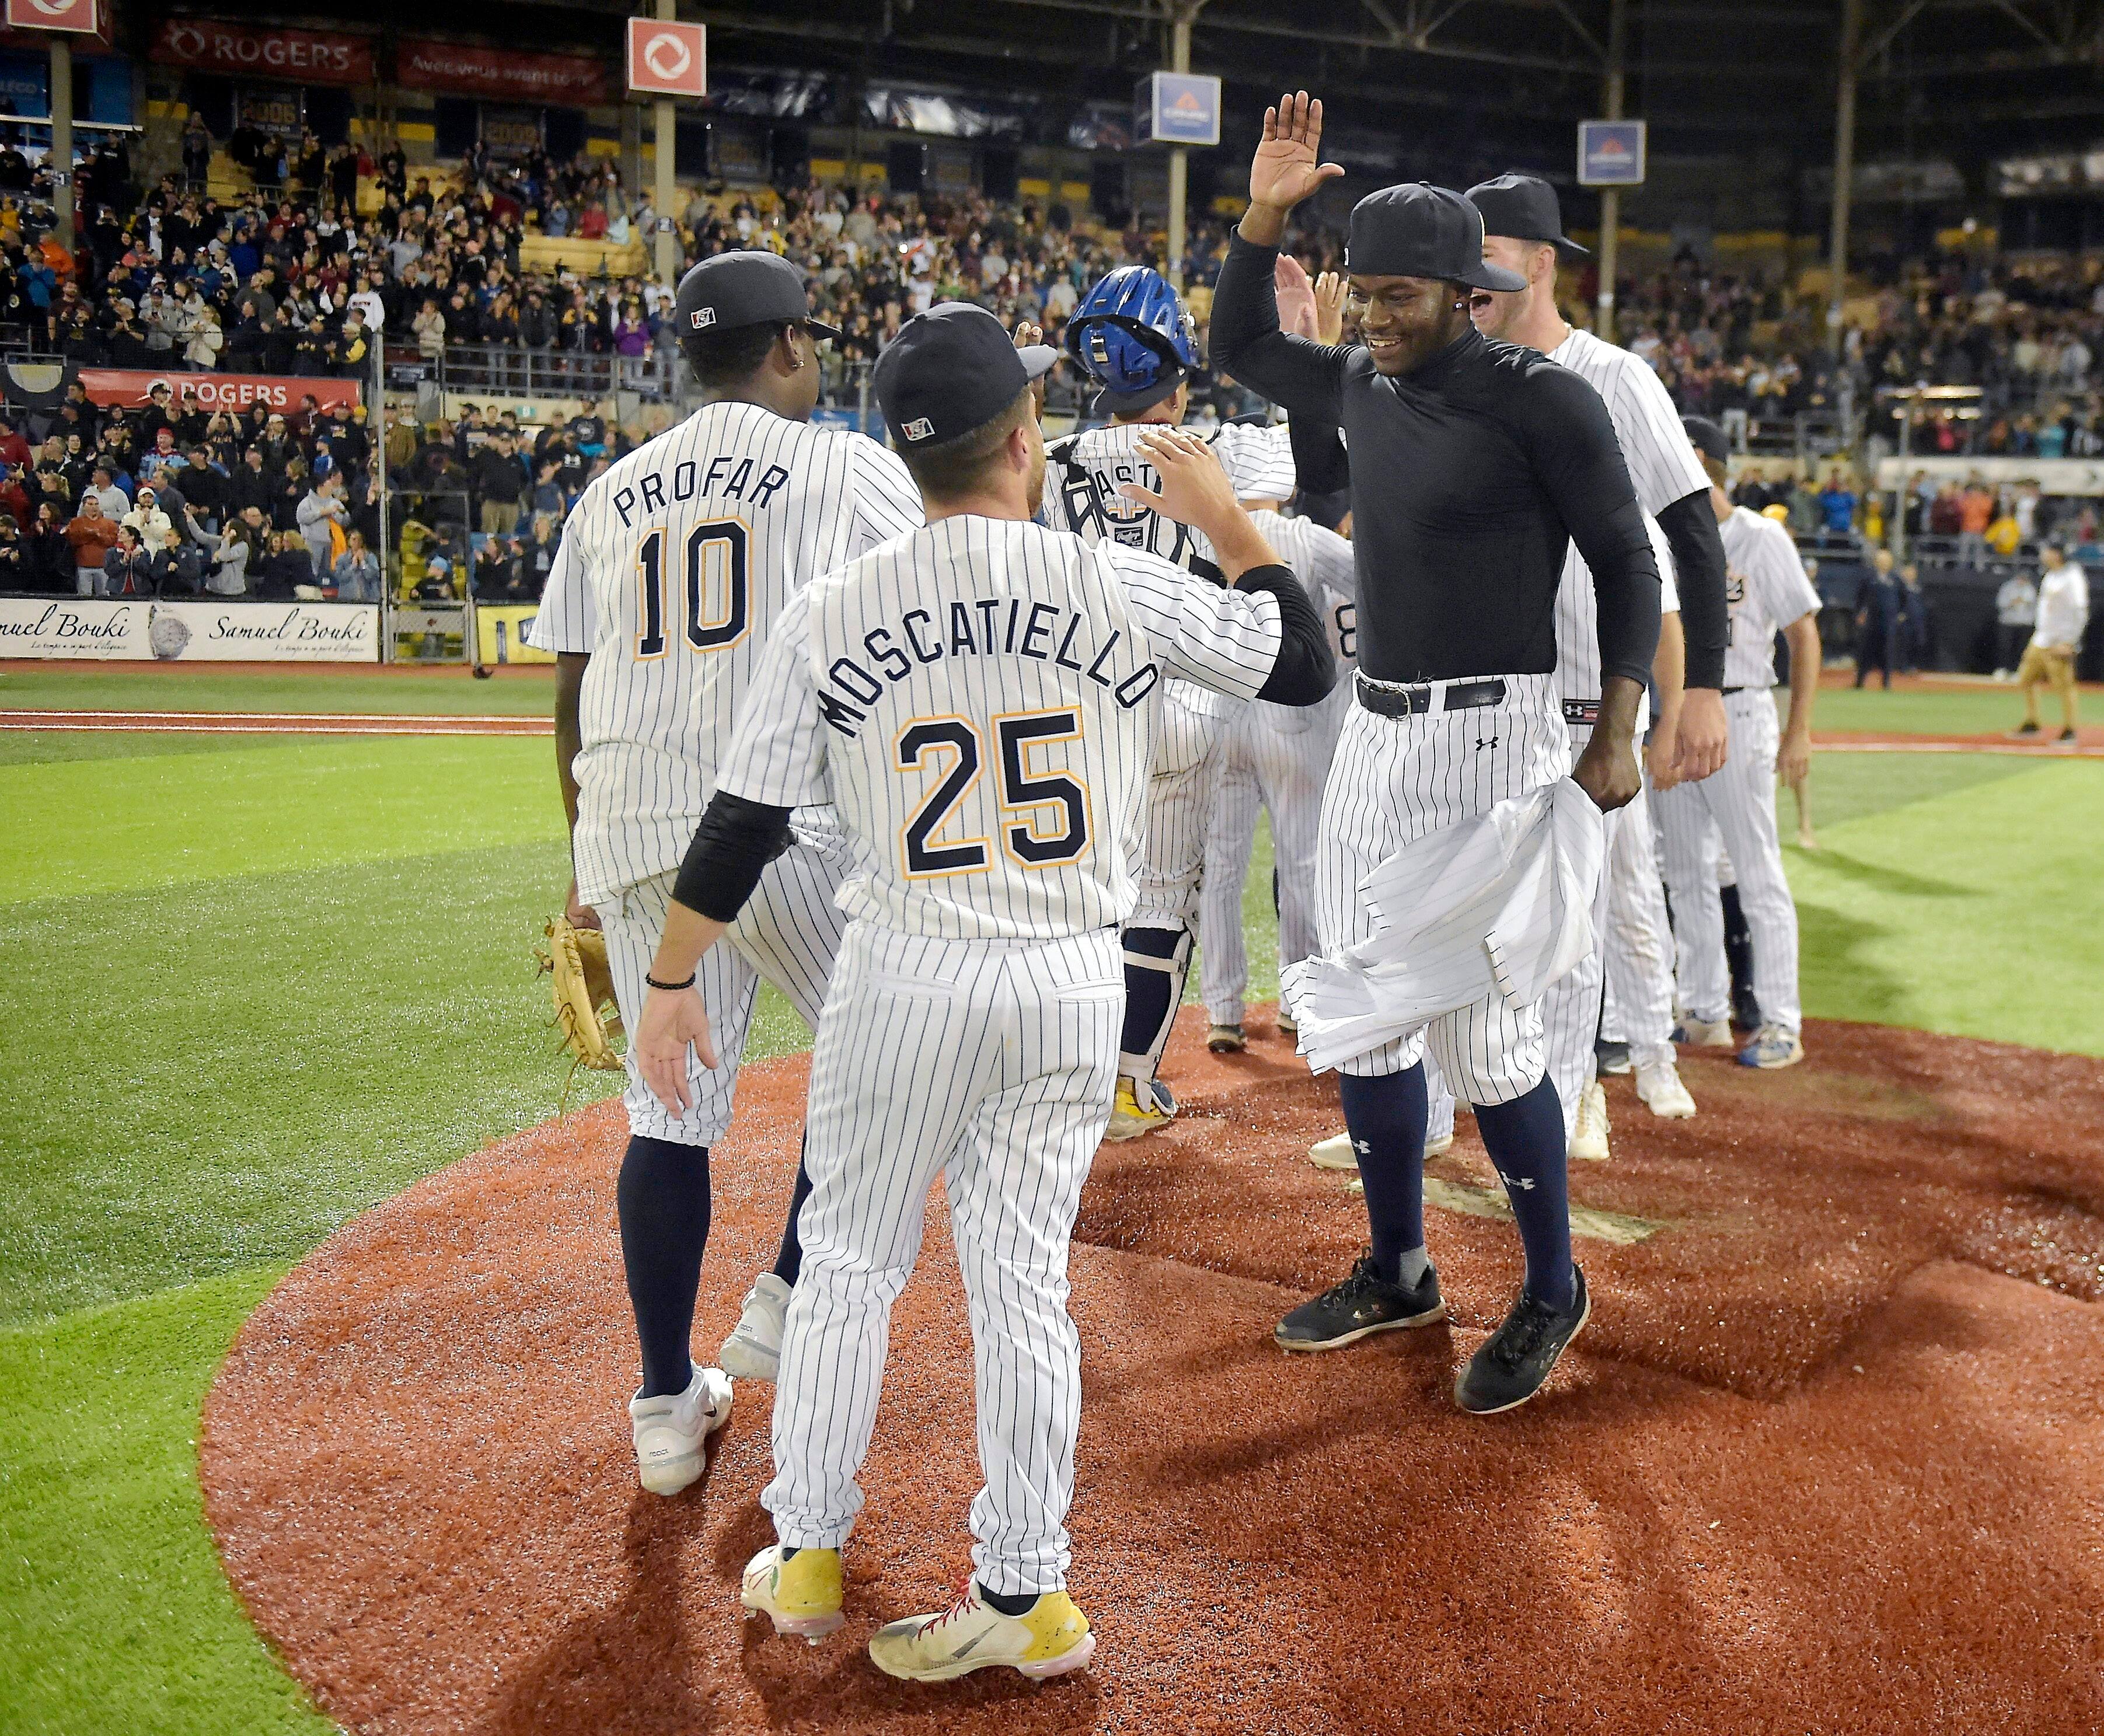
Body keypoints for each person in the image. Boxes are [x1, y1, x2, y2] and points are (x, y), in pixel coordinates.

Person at [632, 305, 1331, 1681]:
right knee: (1021, 1285)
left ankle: (812, 1554)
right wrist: (1233, 525)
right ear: (1023, 439)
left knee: (847, 1267)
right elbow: (1301, 661)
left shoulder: (837, 606)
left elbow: (741, 822)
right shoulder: (1107, 583)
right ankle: (1026, 1595)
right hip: (1071, 981)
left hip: (906, 973)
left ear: (904, 452)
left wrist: (669, 978)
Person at [1210, 94, 1660, 1411]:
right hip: (1374, 735)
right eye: (1360, 291)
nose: (1370, 316)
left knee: (1483, 1032)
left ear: (1466, 293)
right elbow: (1236, 337)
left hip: (1494, 738)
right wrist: (1262, 213)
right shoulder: (1356, 374)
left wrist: (1618, 723)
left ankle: (1546, 1281)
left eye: (1399, 295)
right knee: (1353, 1004)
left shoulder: (1543, 400)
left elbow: (1627, 561)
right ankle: (1398, 1262)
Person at [522, 252, 926, 1500]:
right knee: (889, 1043)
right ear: (792, 346)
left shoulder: (610, 487)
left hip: (634, 820)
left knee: (666, 1117)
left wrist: (586, 856)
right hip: (776, 816)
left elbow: (569, 688)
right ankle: (794, 1282)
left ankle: (661, 1401)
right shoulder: (846, 463)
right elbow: (934, 604)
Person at [1457, 171, 1728, 1154]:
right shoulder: (1453, 376)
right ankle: (1480, 1106)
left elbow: (1693, 536)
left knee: (1590, 916)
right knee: (1469, 914)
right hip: (1476, 702)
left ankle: (1586, 1090)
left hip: (1587, 698)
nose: (1472, 274)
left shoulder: (1616, 378)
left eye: (1490, 252)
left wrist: (1698, 688)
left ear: (1540, 262)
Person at [1041, 263, 1298, 1136]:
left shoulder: (1049, 459)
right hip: (1183, 695)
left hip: (1078, 700)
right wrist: (1307, 343)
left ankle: (1063, 1072)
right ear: (1179, 382)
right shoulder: (1221, 446)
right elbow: (1310, 469)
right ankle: (1125, 1084)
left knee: (1076, 896)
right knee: (1160, 901)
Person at [1656, 417, 1823, 1071]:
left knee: (1755, 871)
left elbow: (1802, 634)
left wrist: (1799, 727)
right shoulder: (1668, 540)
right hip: (1676, 717)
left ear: (1698, 459)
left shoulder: (1758, 536)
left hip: (1743, 707)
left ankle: (1781, 1019)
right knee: (1686, 873)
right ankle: (1701, 1008)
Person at [2013, 542, 2090, 744]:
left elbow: (2080, 611)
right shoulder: (2050, 575)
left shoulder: (2072, 577)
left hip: (2059, 641)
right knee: (2026, 679)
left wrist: (2070, 642)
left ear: (2057, 554)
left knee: (2064, 687)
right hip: (2041, 638)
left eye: (2047, 551)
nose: (2043, 554)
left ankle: (2070, 730)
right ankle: (2033, 722)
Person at [1854, 546, 1902, 689]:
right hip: (1872, 621)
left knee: (1888, 652)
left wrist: (1900, 615)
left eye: (1886, 561)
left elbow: (1903, 598)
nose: (1884, 563)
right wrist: (1859, 614)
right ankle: (1860, 681)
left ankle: (1886, 682)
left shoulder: (1896, 580)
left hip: (1888, 622)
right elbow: (1860, 598)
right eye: (1881, 560)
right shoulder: (1869, 578)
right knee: (1866, 651)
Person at [64, 493, 120, 595]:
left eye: (96, 504)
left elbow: (112, 542)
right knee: (84, 597)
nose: (94, 507)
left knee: (104, 597)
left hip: (103, 567)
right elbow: (74, 540)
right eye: (90, 504)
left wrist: (98, 535)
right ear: (84, 506)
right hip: (83, 566)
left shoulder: (110, 524)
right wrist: (91, 534)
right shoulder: (76, 522)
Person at [1995, 565, 2039, 679]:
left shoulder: (2030, 589)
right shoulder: (2008, 588)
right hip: (2008, 622)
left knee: (2021, 648)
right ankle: (2003, 669)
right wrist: (2013, 602)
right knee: (2005, 647)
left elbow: (2035, 607)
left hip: (2024, 624)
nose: (2022, 580)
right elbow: (2001, 604)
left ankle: (2018, 671)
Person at [332, 529, 381, 602]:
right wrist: (352, 567)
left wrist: (363, 563)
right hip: (347, 599)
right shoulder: (342, 558)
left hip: (369, 598)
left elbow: (373, 576)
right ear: (349, 541)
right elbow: (339, 578)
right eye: (354, 539)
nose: (357, 542)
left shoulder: (370, 557)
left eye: (359, 540)